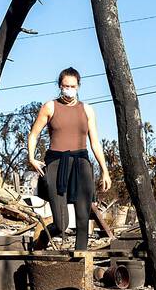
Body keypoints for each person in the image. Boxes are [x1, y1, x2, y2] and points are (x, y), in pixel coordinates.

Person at [26, 67, 111, 249]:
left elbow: (95, 143)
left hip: (81, 164)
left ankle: (80, 262)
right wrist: (32, 158)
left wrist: (105, 171)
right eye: (65, 86)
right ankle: (44, 236)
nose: (69, 89)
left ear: (78, 86)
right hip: (56, 164)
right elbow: (33, 134)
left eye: (72, 86)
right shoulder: (50, 107)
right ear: (60, 86)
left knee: (82, 218)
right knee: (61, 224)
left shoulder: (87, 110)